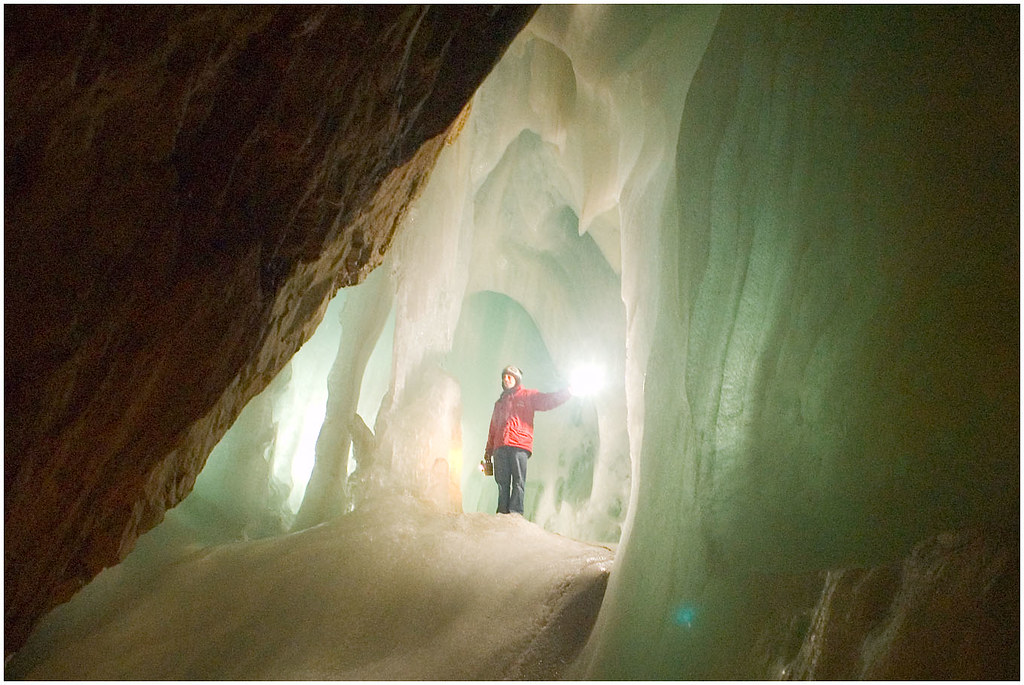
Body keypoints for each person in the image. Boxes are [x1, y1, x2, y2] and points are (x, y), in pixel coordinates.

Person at [483, 365, 570, 515]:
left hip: (519, 445)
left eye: (510, 377)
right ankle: (502, 513)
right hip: (500, 447)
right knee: (502, 483)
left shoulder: (528, 396)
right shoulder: (499, 404)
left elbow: (548, 401)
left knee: (518, 481)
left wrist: (567, 393)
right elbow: (493, 428)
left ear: (516, 379)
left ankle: (515, 513)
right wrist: (488, 451)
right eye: (504, 377)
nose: (506, 379)